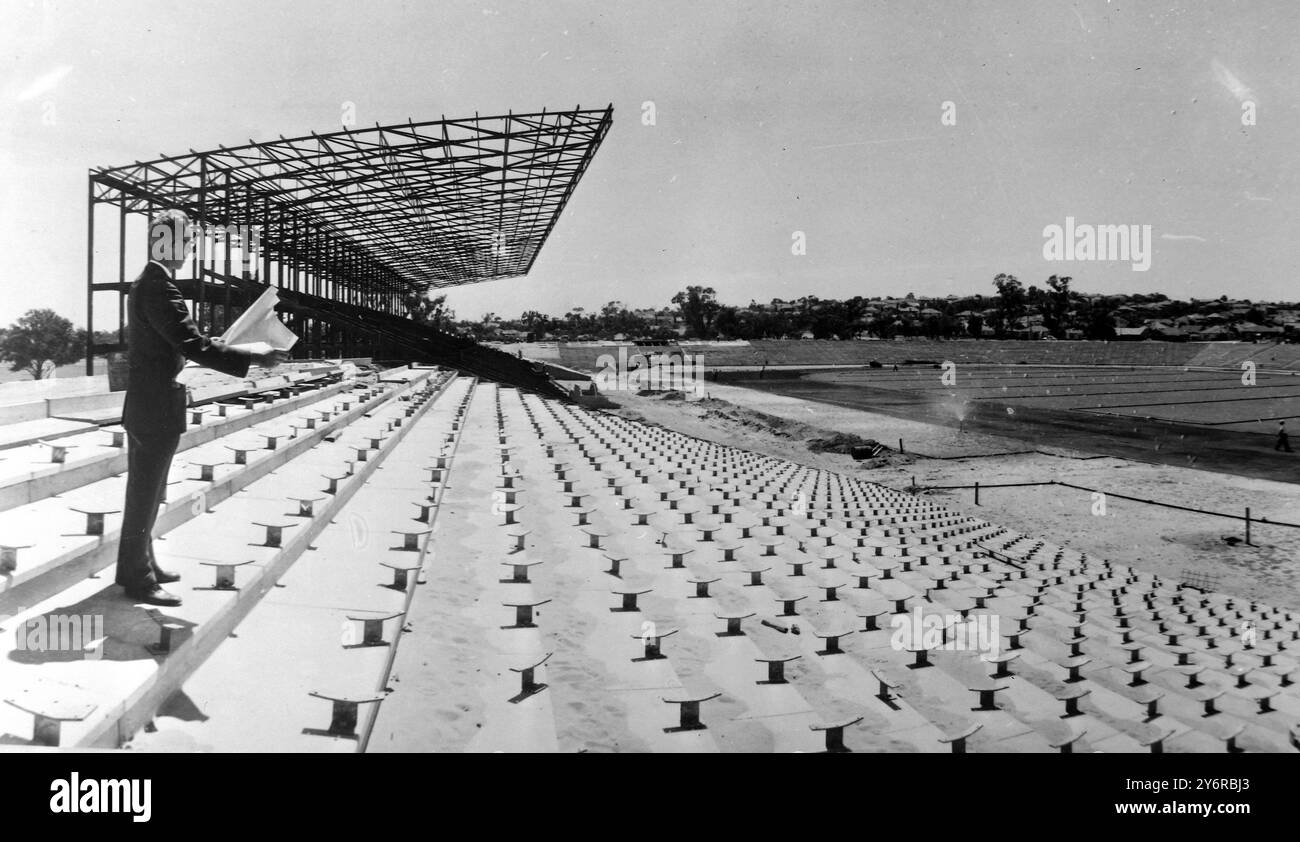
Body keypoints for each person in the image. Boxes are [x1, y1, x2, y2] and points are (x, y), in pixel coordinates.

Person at [115, 209, 288, 607]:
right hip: (155, 406)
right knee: (144, 494)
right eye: (188, 242)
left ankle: (142, 563)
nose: (191, 249)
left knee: (148, 492)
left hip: (151, 403)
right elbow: (190, 345)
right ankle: (136, 577)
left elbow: (182, 338)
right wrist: (251, 356)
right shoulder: (158, 287)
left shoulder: (150, 283)